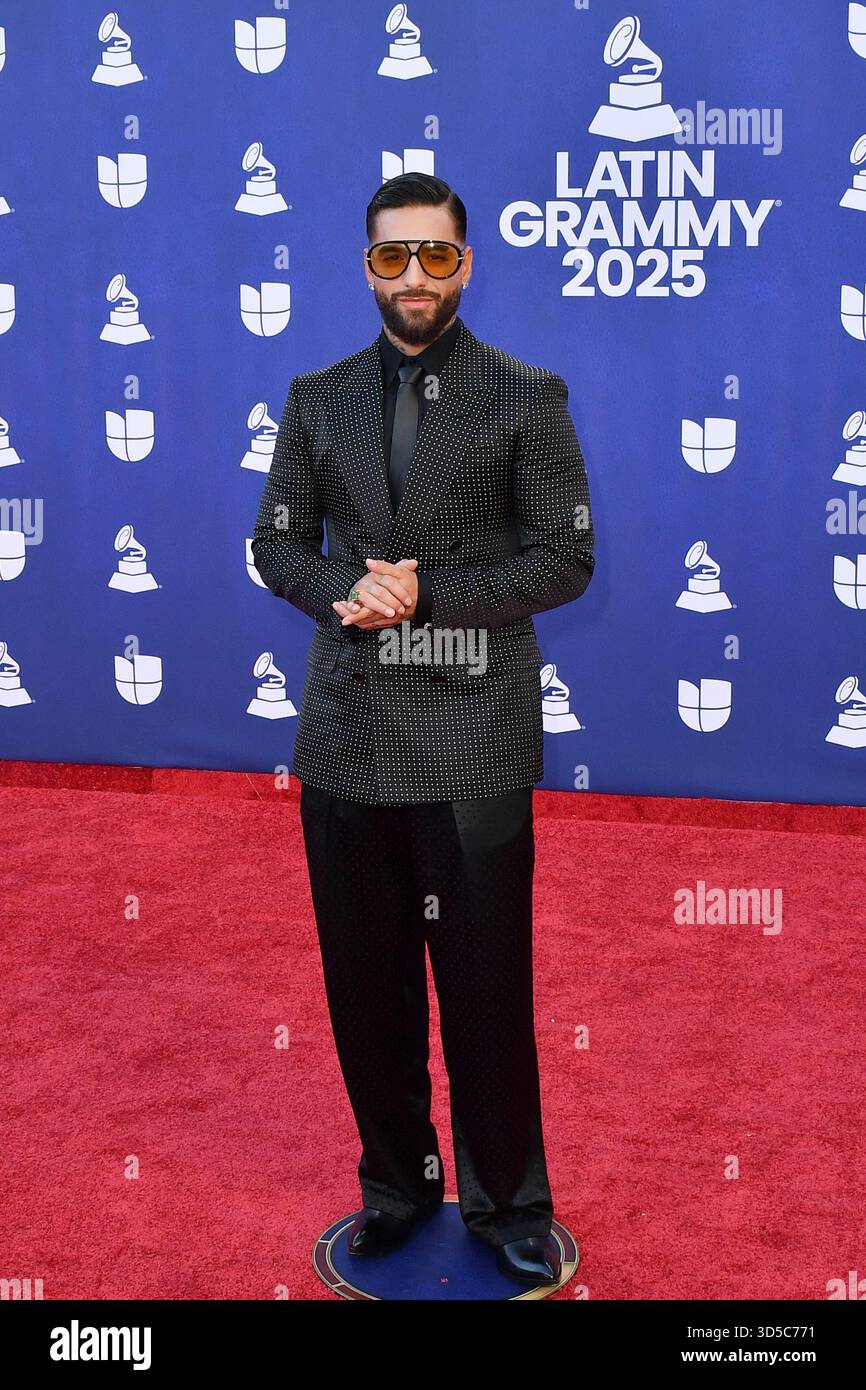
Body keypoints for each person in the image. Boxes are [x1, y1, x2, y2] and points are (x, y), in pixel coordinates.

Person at [251, 172, 595, 1285]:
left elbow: (563, 556)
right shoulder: (317, 396)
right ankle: (397, 1184)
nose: (413, 275)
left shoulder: (523, 395)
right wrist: (348, 586)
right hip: (348, 732)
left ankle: (507, 1206)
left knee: (487, 986)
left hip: (474, 736)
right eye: (393, 255)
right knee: (366, 982)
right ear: (366, 266)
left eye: (435, 256)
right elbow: (276, 543)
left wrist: (427, 594)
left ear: (465, 262)